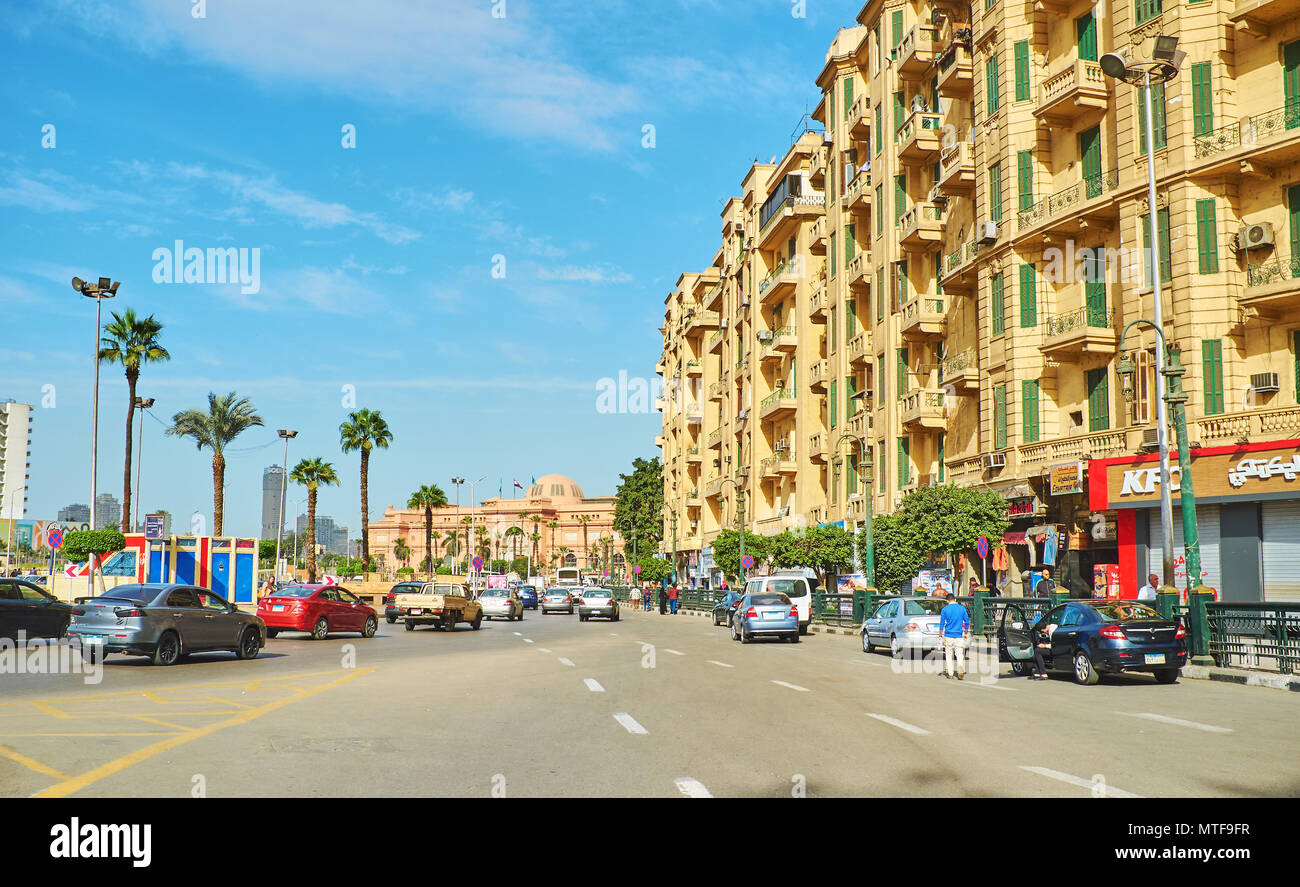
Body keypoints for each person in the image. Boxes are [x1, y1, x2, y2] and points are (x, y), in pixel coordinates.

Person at [937, 593, 970, 680]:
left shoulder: (944, 609)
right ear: (955, 599)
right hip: (959, 634)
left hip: (948, 634)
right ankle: (960, 671)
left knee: (949, 654)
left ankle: (950, 673)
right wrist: (966, 631)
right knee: (959, 653)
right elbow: (967, 621)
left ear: (947, 601)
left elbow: (942, 623)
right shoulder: (962, 608)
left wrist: (940, 633)